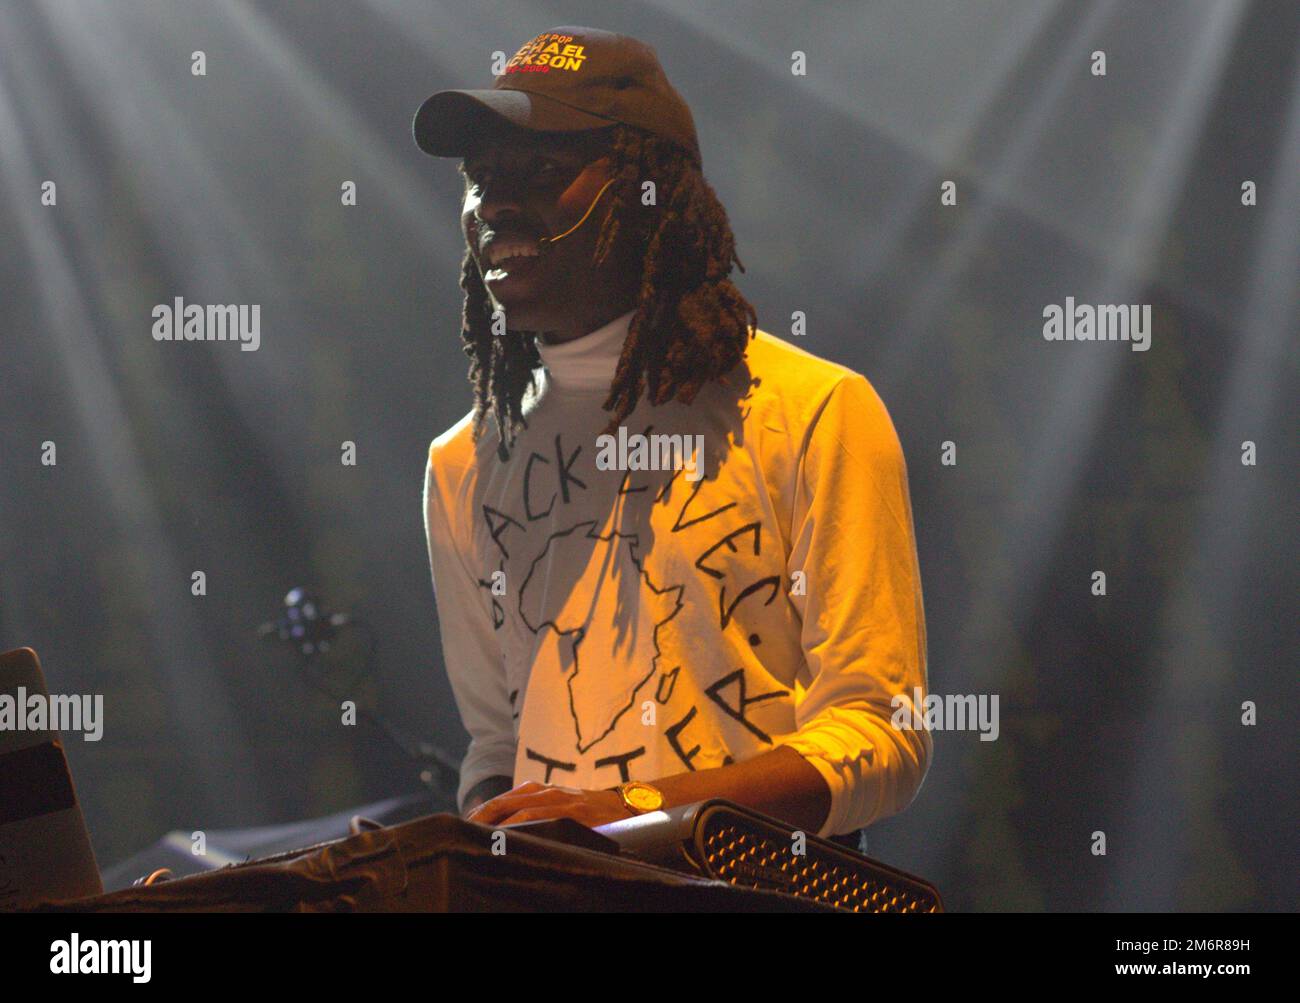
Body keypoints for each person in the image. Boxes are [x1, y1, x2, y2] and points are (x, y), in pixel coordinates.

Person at [414, 26, 931, 839]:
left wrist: (629, 814)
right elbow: (497, 747)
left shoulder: (814, 409)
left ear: (649, 187)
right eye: (481, 179)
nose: (497, 203)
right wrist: (499, 835)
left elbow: (880, 735)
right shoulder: (461, 465)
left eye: (542, 170)